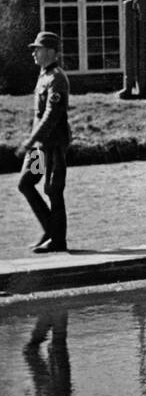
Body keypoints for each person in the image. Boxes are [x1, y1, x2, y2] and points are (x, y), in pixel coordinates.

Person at [17, 30, 71, 254]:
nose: (34, 54)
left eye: (37, 50)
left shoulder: (57, 78)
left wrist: (31, 140)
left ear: (50, 52)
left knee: (53, 189)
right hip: (40, 147)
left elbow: (51, 115)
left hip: (53, 145)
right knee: (26, 183)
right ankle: (51, 230)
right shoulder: (44, 76)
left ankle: (58, 240)